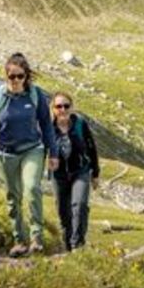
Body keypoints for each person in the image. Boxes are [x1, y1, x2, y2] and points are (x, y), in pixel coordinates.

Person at [0, 53, 58, 257]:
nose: (15, 81)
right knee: (13, 197)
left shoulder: (36, 95)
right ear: (6, 76)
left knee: (32, 188)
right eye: (11, 76)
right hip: (5, 154)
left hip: (32, 149)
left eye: (20, 76)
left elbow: (47, 126)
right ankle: (19, 241)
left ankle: (37, 238)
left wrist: (53, 153)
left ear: (26, 76)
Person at [50, 92, 100, 252]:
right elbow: (40, 149)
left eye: (66, 106)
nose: (63, 109)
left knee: (80, 205)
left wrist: (95, 174)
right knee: (63, 211)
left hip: (81, 171)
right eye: (59, 106)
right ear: (53, 109)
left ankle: (77, 244)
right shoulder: (48, 127)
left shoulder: (80, 124)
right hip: (59, 175)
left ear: (72, 107)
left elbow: (92, 148)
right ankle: (67, 247)